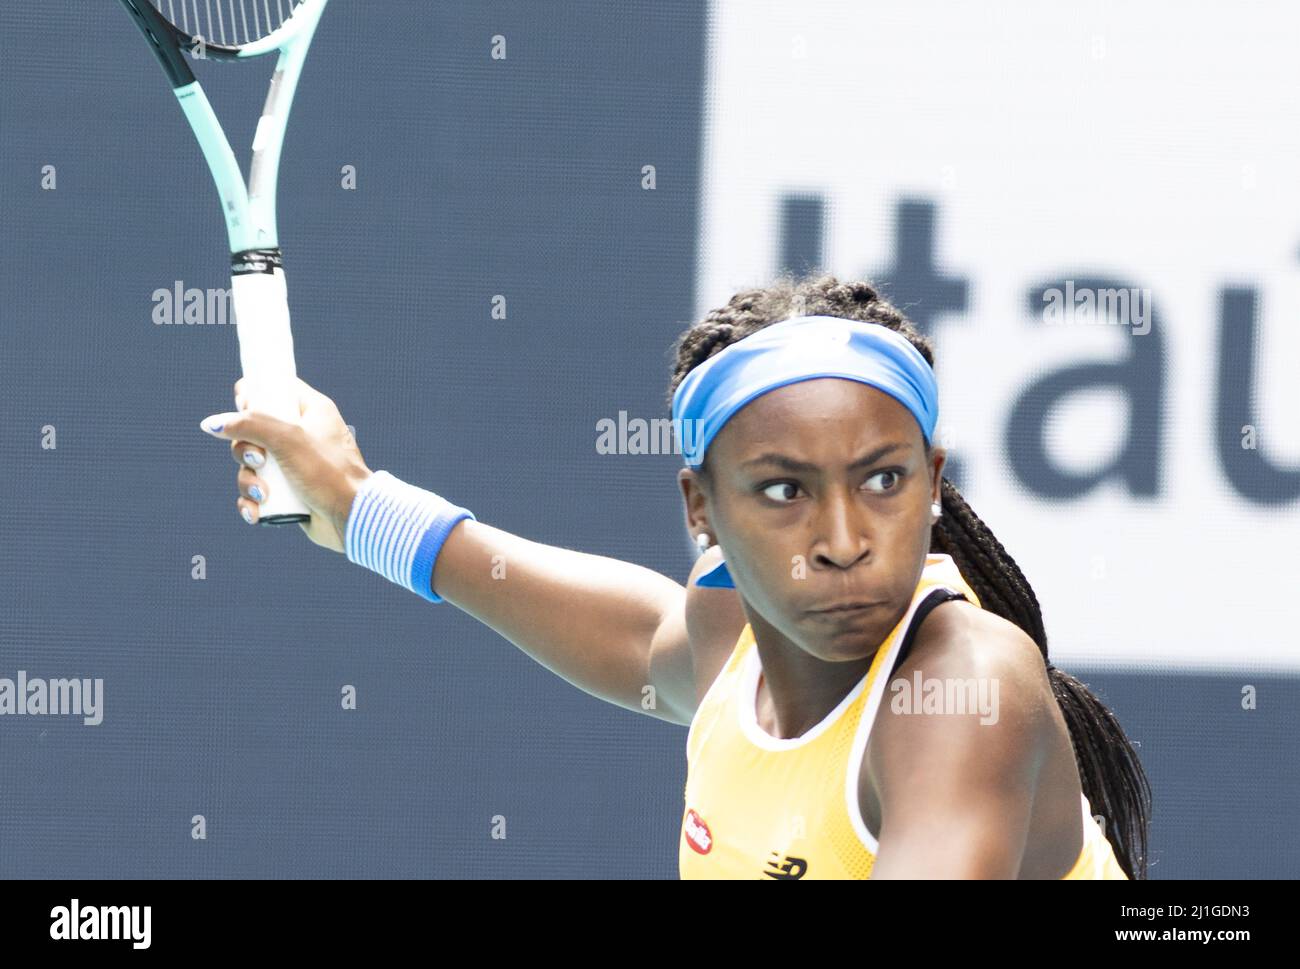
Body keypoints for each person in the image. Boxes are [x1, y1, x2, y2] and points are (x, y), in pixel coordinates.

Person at [200, 273, 1151, 879]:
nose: (842, 537)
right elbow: (644, 645)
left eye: (884, 479)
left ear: (934, 482)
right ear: (702, 511)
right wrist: (364, 507)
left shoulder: (964, 690)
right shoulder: (731, 636)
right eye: (783, 490)